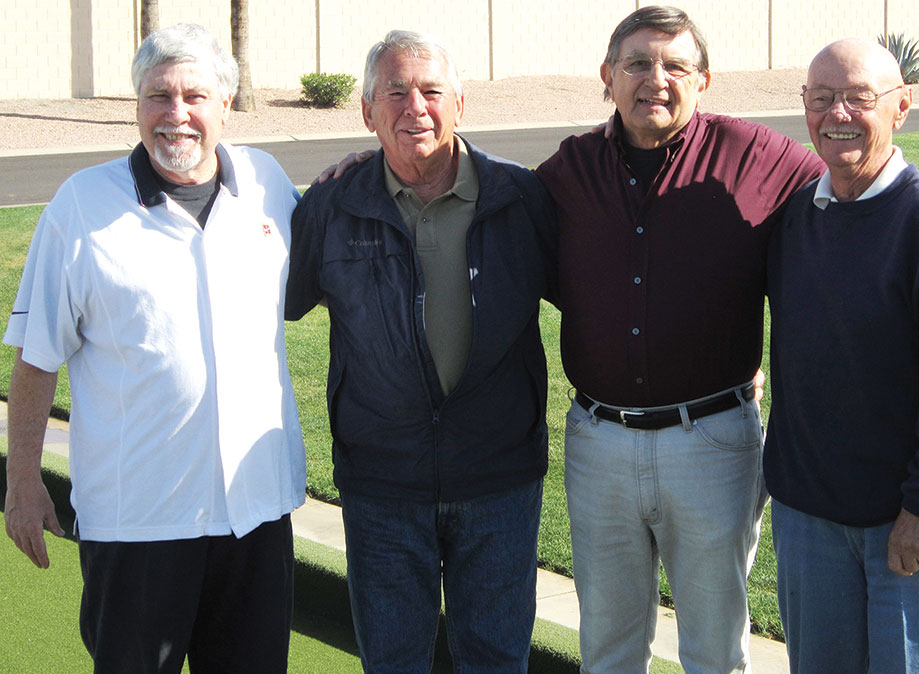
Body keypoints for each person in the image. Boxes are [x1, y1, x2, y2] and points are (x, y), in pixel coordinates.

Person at [532, 7, 919, 674]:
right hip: (604, 442)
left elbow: (865, 173)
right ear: (608, 76)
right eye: (639, 63)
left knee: (716, 649)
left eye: (677, 66)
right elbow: (508, 240)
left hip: (713, 441)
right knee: (606, 644)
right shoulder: (568, 172)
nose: (656, 79)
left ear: (704, 81)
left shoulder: (760, 158)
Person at [3, 23, 306, 674]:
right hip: (137, 523)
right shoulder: (80, 206)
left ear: (226, 105)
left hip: (256, 513)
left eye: (194, 96)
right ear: (136, 105)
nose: (176, 115)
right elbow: (34, 357)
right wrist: (23, 485)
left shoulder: (268, 182)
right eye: (157, 96)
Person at [285, 30, 557, 674]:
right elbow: (273, 304)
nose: (416, 108)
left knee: (495, 661)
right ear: (367, 112)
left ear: (460, 105)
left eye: (432, 91)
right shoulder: (332, 204)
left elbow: (601, 300)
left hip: (500, 482)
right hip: (382, 485)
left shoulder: (521, 198)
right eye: (395, 93)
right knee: (393, 662)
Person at [763, 38, 919, 674]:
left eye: (858, 98)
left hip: (909, 525)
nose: (838, 113)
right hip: (810, 524)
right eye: (822, 99)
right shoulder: (795, 218)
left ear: (901, 108)